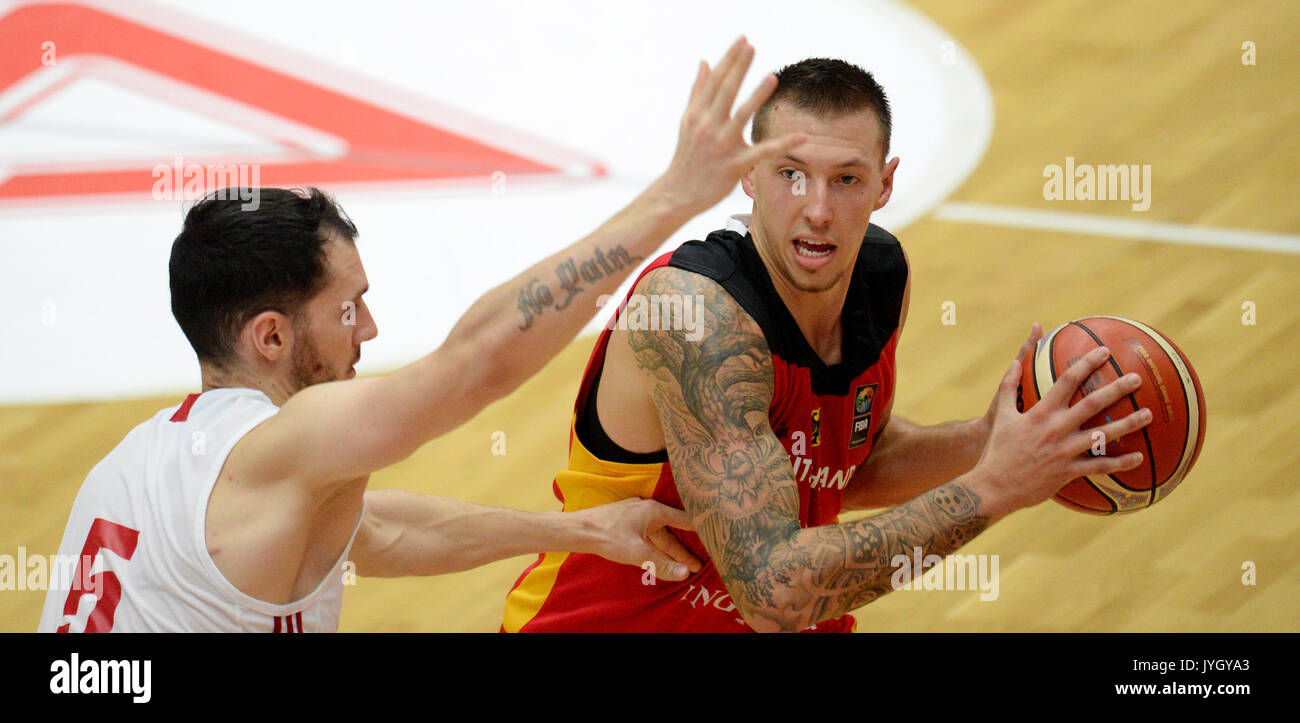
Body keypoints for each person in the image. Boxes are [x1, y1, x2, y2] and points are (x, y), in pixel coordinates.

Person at [37, 37, 804, 633]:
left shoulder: (146, 464)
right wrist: (671, 197)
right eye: (347, 309)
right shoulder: (277, 451)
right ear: (269, 337)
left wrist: (577, 530)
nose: (368, 329)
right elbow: (476, 363)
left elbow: (377, 532)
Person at [502, 57, 1153, 633]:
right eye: (791, 173)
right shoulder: (693, 315)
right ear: (750, 175)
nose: (817, 208)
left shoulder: (878, 277)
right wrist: (992, 486)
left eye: (846, 179)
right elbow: (773, 591)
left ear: (884, 183)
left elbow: (838, 461)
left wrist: (1000, 438)